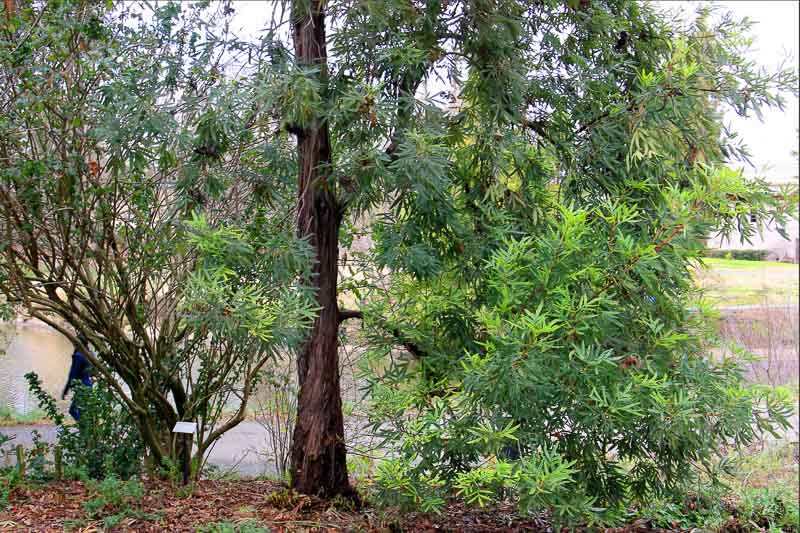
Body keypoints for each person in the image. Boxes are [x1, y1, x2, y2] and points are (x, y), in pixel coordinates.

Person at [62, 333, 93, 421]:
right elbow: (94, 372)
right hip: (89, 385)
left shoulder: (78, 356)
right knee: (84, 411)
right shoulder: (90, 354)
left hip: (81, 386)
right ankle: (87, 430)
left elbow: (72, 375)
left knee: (73, 410)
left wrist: (65, 390)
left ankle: (85, 430)